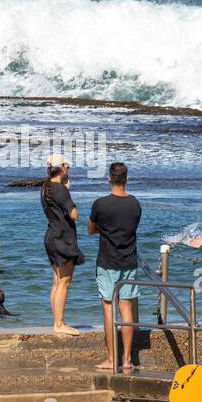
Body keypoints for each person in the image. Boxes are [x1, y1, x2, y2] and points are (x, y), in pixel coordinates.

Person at [88, 161, 143, 371]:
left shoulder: (100, 204)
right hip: (129, 260)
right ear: (126, 179)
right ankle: (128, 359)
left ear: (109, 178)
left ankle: (112, 359)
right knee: (126, 307)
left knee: (109, 308)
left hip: (107, 261)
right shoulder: (135, 204)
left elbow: (91, 229)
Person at [41, 154, 84, 335]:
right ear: (63, 168)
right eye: (67, 167)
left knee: (57, 281)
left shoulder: (45, 187)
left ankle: (57, 321)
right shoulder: (59, 188)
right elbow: (73, 214)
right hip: (62, 238)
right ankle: (59, 324)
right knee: (64, 282)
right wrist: (68, 191)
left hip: (52, 236)